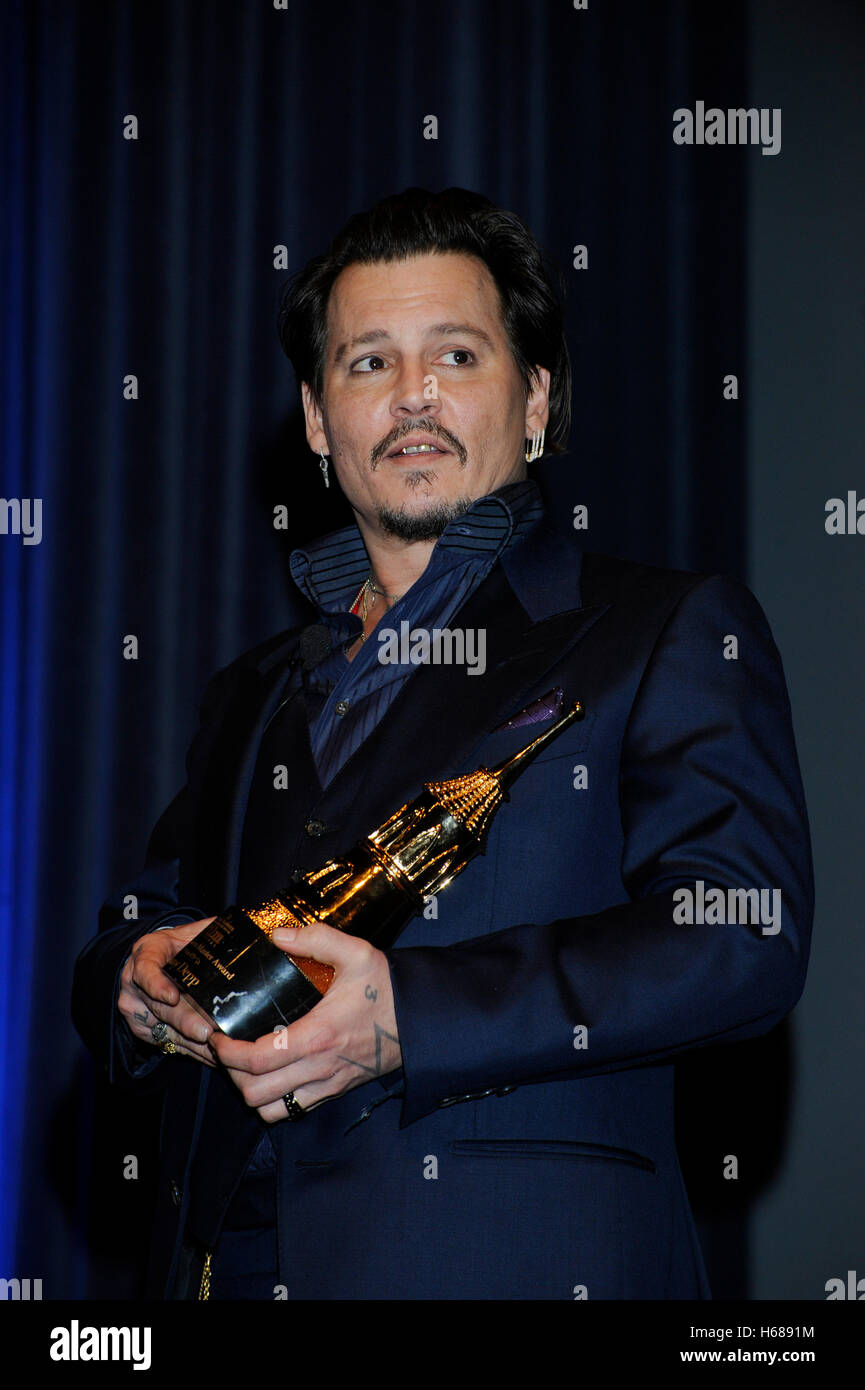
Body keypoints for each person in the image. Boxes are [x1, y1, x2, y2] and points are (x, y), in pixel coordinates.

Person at [72, 186, 813, 1301]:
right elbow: (142, 915)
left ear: (535, 403)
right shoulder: (251, 689)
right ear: (318, 424)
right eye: (367, 362)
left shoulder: (664, 625)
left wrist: (410, 1017)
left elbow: (741, 934)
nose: (412, 395)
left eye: (456, 356)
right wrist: (135, 985)